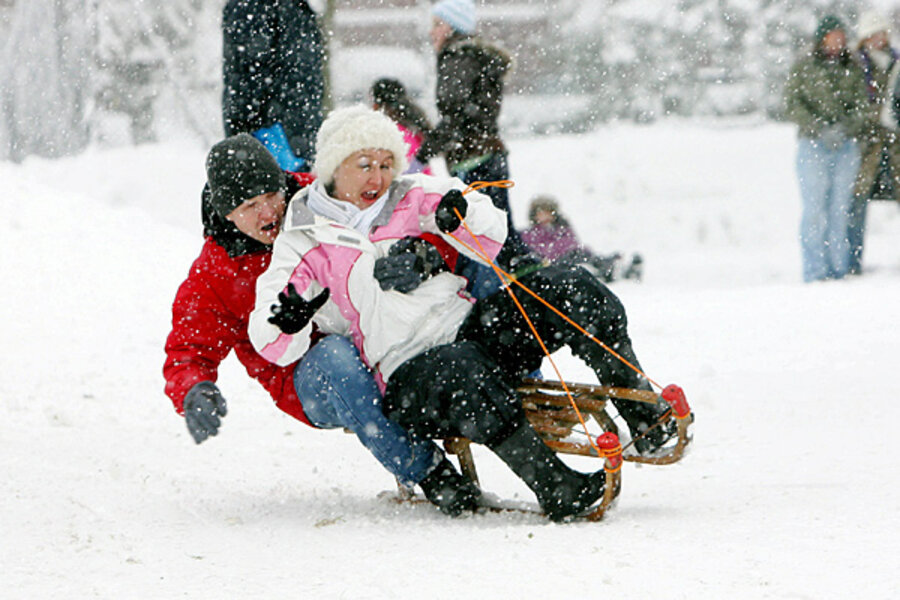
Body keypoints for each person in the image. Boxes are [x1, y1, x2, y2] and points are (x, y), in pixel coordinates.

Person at [248, 106, 676, 521]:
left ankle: (640, 409)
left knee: (567, 285)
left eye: (385, 163)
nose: (378, 177)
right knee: (464, 371)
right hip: (405, 371)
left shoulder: (410, 194)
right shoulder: (304, 236)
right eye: (364, 164)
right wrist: (290, 320)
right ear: (333, 167)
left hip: (468, 328)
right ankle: (557, 486)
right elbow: (270, 340)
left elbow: (492, 234)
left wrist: (458, 215)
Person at [163, 133, 480, 517]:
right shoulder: (214, 276)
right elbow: (187, 350)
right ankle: (428, 470)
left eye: (271, 196)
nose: (269, 214)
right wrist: (194, 390)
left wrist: (428, 254)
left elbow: (412, 213)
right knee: (336, 358)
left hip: (386, 331)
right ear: (226, 211)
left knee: (478, 282)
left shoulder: (322, 197)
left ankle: (519, 390)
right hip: (309, 375)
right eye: (250, 205)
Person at [414, 0, 536, 298]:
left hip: (474, 160)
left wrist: (421, 154)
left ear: (453, 26)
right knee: (499, 233)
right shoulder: (475, 57)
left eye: (437, 24)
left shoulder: (458, 57)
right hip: (488, 154)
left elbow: (456, 114)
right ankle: (527, 287)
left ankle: (509, 295)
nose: (432, 32)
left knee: (482, 236)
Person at [784, 15, 869, 283]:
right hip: (813, 146)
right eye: (833, 36)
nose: (837, 42)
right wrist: (817, 127)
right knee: (814, 210)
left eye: (841, 37)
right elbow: (792, 103)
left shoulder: (852, 68)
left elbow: (861, 105)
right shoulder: (805, 67)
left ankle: (838, 268)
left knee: (840, 209)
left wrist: (845, 127)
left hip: (845, 146)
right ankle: (814, 270)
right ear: (822, 39)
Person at [221, 0, 324, 171]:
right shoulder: (253, 6)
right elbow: (247, 75)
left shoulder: (295, 7)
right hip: (273, 137)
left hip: (296, 133)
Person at [852, 11, 900, 274]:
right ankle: (851, 260)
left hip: (895, 143)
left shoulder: (896, 63)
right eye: (872, 34)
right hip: (865, 144)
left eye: (881, 33)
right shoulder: (856, 65)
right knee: (856, 201)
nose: (877, 39)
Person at [521, 195, 643, 283]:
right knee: (584, 266)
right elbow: (539, 250)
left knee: (594, 260)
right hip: (558, 263)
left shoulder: (561, 228)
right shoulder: (530, 233)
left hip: (574, 254)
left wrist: (567, 249)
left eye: (547, 212)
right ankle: (609, 271)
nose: (544, 216)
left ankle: (619, 268)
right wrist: (558, 252)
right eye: (540, 212)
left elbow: (570, 241)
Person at [371, 77, 433, 175]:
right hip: (425, 185)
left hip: (412, 187)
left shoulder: (392, 133)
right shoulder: (412, 129)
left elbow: (403, 174)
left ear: (377, 105)